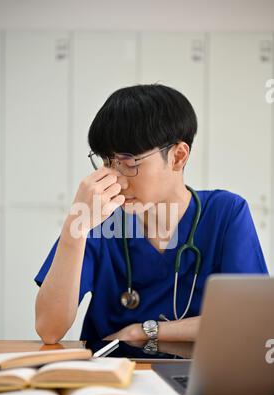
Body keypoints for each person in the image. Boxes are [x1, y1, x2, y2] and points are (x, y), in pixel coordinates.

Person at [34, 84, 268, 345]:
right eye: (108, 161)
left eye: (129, 161)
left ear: (178, 157)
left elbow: (251, 319)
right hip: (111, 377)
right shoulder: (102, 221)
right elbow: (49, 329)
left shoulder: (225, 213)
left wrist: (146, 331)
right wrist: (75, 226)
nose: (117, 179)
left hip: (194, 376)